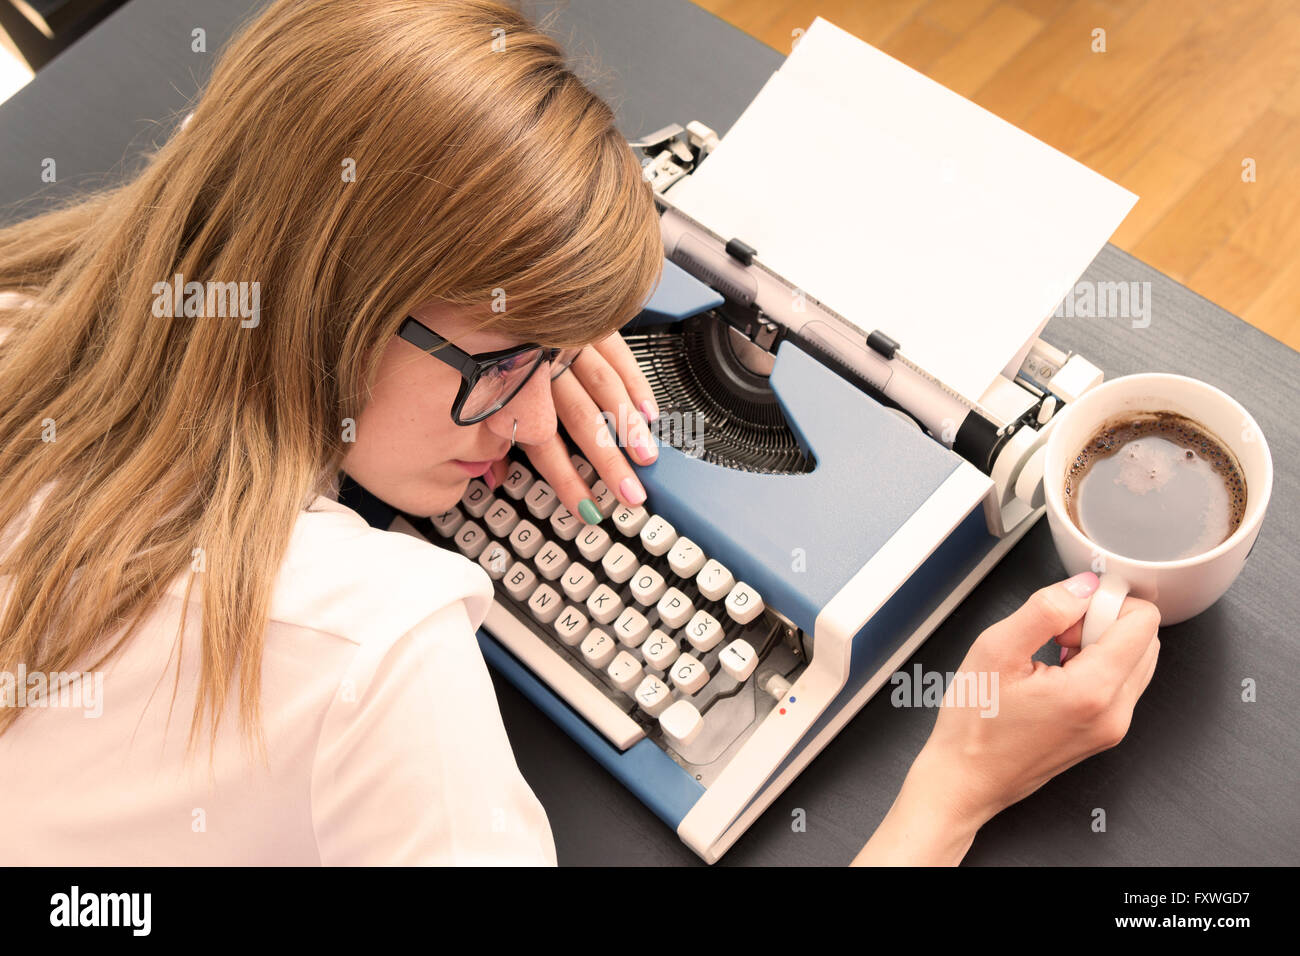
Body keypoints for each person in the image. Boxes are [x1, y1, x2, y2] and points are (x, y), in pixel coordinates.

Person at [0, 0, 1159, 866]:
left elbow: (257, 150)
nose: (523, 415)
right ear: (331, 296)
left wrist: (523, 330)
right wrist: (953, 784)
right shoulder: (381, 651)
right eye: (501, 362)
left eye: (569, 348)